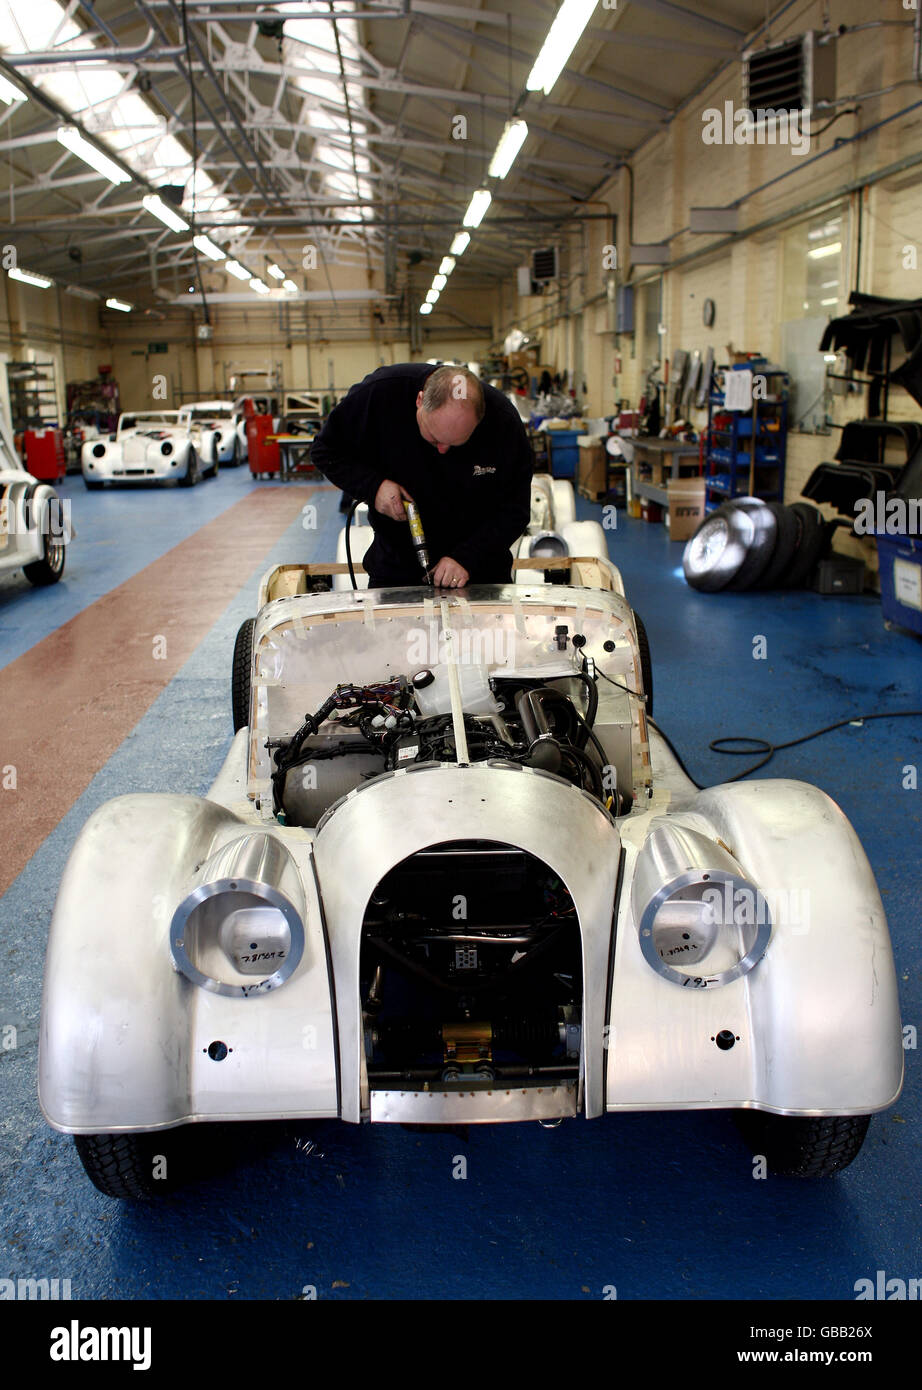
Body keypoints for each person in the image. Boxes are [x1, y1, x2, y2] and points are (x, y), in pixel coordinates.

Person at [311, 363, 532, 588]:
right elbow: (326, 451)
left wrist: (467, 557)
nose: (443, 450)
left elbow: (516, 510)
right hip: (397, 570)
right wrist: (374, 487)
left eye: (456, 444)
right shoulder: (380, 395)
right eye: (434, 439)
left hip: (481, 572)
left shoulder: (503, 423)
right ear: (419, 400)